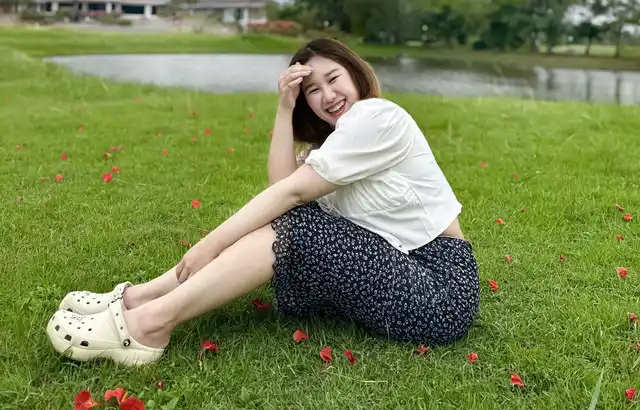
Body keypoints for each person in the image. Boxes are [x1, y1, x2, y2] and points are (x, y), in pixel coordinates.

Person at [46, 38, 480, 366]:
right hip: (399, 266)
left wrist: (210, 244)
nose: (328, 96)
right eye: (312, 90)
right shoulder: (335, 145)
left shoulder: (377, 117)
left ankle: (148, 324)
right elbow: (285, 186)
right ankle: (141, 298)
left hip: (439, 290)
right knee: (292, 219)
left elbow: (291, 194)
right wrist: (284, 107)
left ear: (356, 73)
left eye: (334, 79)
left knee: (298, 227)